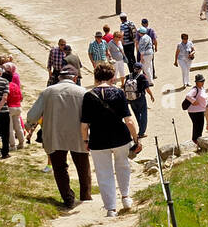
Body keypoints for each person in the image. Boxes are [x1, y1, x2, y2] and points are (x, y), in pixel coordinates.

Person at [27, 66, 92, 208]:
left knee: (59, 168)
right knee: (83, 166)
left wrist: (29, 125)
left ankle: (68, 198)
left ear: (59, 78)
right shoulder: (83, 92)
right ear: (75, 78)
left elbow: (32, 115)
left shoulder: (48, 92)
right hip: (78, 135)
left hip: (54, 134)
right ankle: (85, 197)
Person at [81, 63, 140, 217]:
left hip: (98, 139)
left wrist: (85, 141)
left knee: (103, 172)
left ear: (96, 77)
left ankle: (111, 208)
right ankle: (126, 197)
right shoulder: (119, 93)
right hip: (120, 137)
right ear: (112, 77)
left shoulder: (88, 96)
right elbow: (129, 120)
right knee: (123, 166)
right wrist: (136, 139)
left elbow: (84, 125)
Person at [123, 64, 154, 134]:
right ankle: (141, 132)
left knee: (137, 114)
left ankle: (141, 130)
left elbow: (124, 88)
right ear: (140, 69)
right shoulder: (142, 76)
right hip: (140, 98)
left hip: (131, 99)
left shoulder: (128, 76)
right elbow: (147, 88)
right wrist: (151, 95)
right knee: (143, 114)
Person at [4, 65, 26, 151]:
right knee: (18, 126)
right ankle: (21, 142)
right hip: (18, 107)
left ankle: (12, 145)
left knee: (10, 128)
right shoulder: (15, 85)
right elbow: (21, 97)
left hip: (10, 107)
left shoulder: (6, 86)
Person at [182, 75, 208, 142]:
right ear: (197, 82)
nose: (203, 82)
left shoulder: (202, 88)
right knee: (197, 127)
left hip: (201, 110)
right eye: (201, 81)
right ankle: (196, 141)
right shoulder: (195, 89)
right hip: (195, 112)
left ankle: (197, 141)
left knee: (200, 127)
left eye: (203, 81)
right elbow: (188, 96)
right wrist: (194, 101)